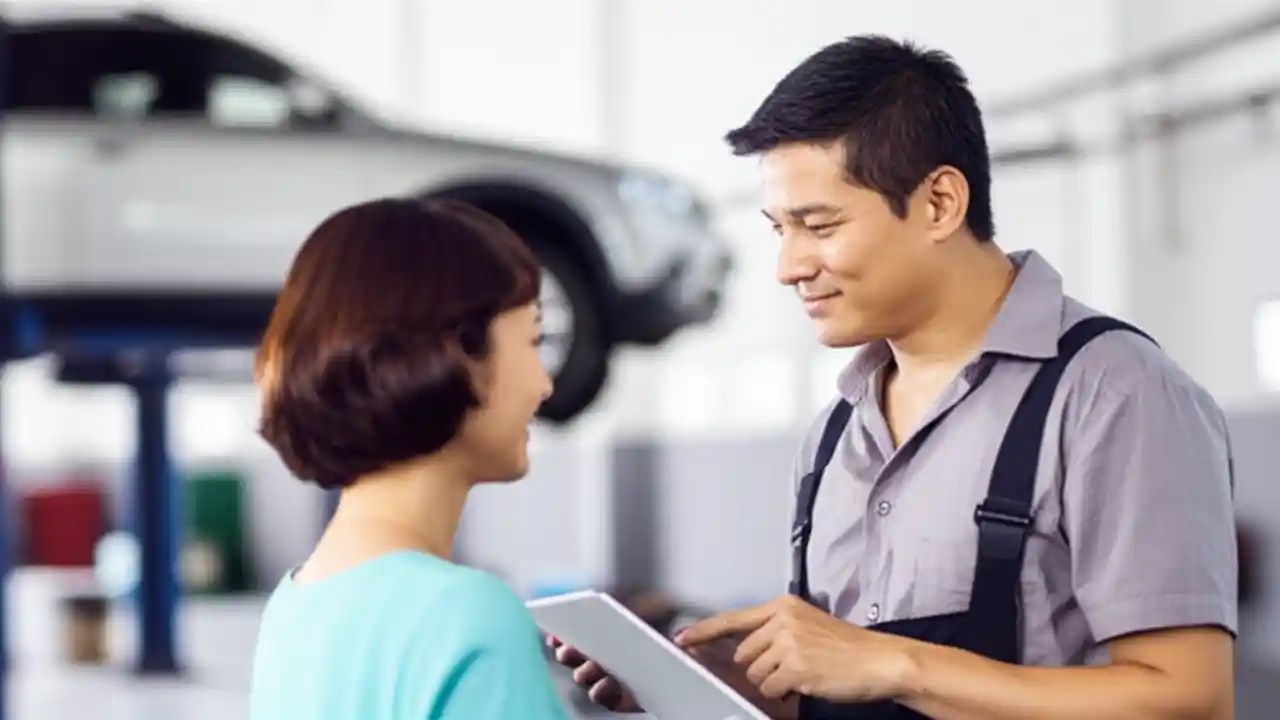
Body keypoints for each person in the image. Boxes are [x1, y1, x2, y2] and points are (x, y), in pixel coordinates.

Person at [554, 35, 1237, 719]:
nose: (789, 266)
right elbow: (847, 692)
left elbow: (1187, 702)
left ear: (939, 203)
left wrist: (895, 663)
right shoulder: (836, 432)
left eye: (817, 225)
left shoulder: (1116, 395)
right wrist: (712, 684)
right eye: (778, 230)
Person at [249, 197, 570, 719]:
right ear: (457, 357)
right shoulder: (468, 616)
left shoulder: (293, 608)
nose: (544, 384)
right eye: (532, 341)